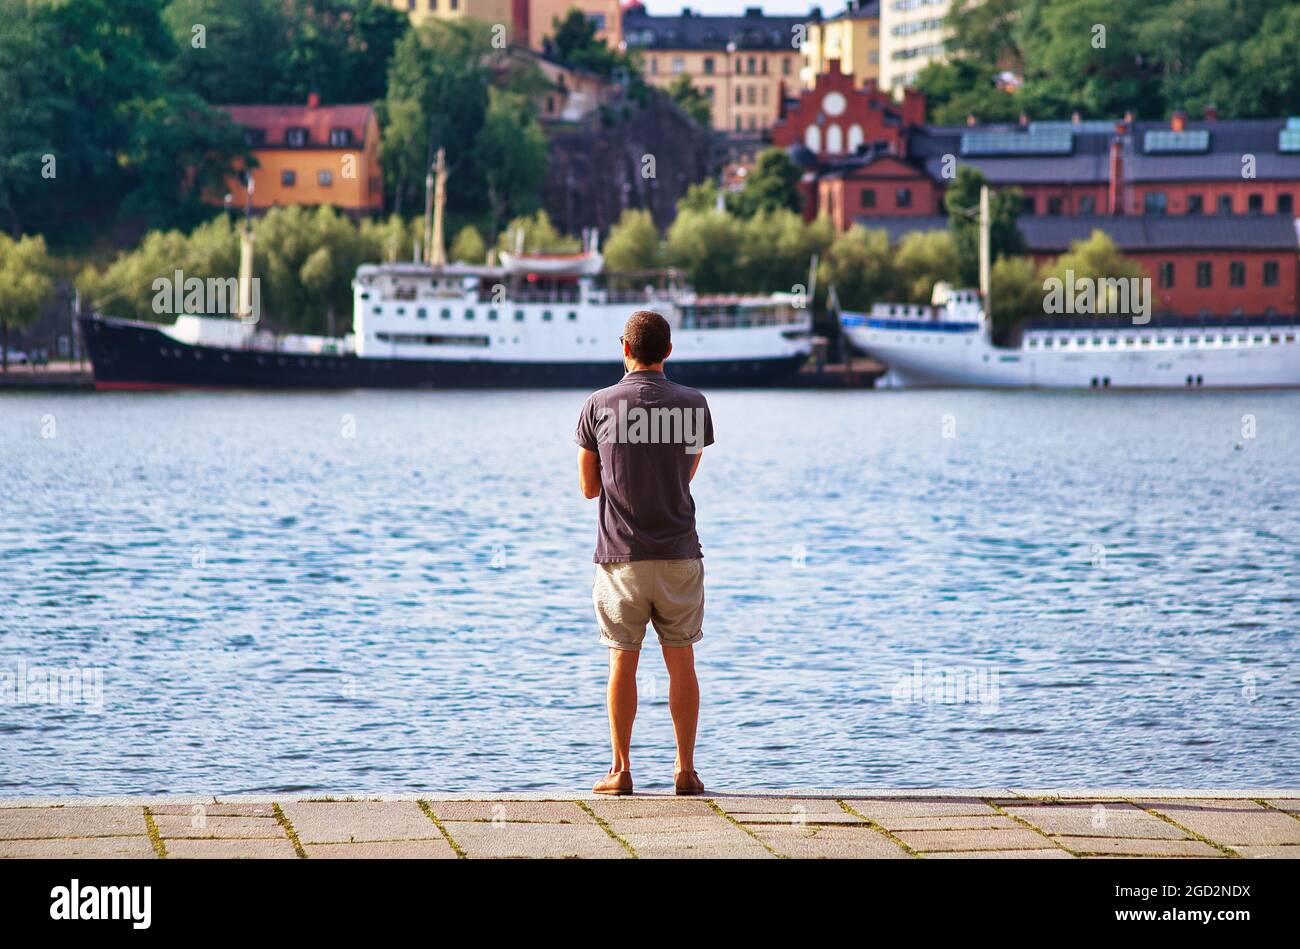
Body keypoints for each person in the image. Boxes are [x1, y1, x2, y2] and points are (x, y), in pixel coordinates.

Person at [574, 310, 714, 796]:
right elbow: (687, 473)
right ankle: (685, 771)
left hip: (620, 559)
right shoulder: (694, 404)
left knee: (622, 663)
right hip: (679, 554)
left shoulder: (597, 405)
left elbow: (589, 488)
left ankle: (620, 770)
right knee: (682, 663)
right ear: (669, 352)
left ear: (624, 348)